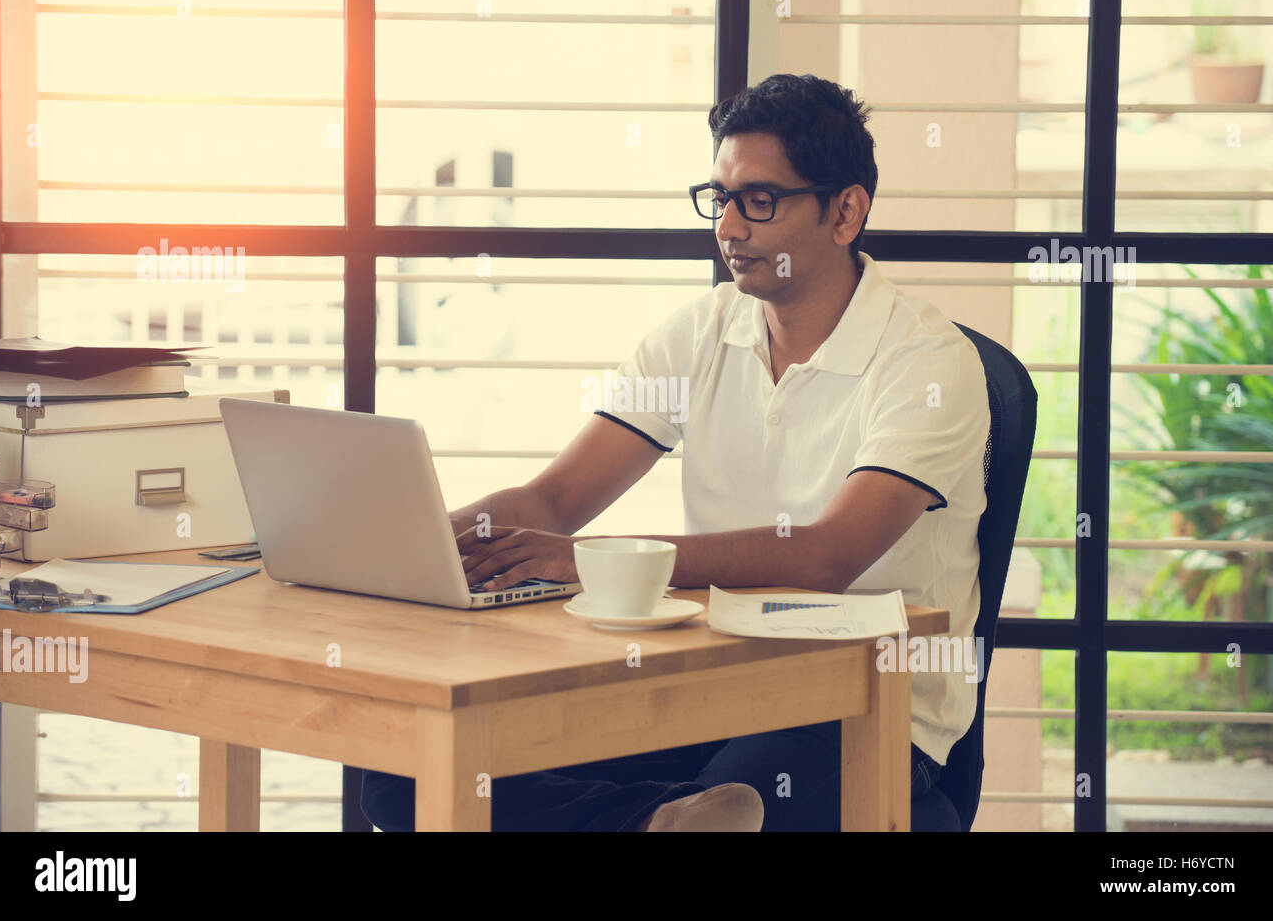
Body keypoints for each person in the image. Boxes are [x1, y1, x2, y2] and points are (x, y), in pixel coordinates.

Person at [360, 73, 990, 831]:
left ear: (845, 212)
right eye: (717, 197)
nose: (727, 227)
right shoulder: (701, 333)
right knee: (409, 772)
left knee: (749, 798)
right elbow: (554, 502)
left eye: (759, 200)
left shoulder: (927, 361)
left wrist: (596, 560)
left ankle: (664, 818)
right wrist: (417, 540)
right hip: (703, 689)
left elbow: (829, 555)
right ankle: (658, 821)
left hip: (866, 704)